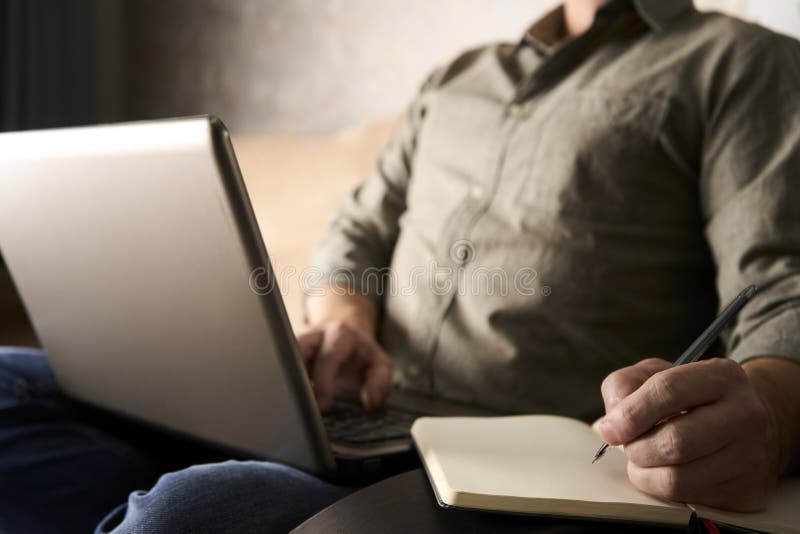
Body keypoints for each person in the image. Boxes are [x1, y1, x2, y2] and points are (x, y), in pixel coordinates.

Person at [2, 0, 800, 532]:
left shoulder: (738, 64)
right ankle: (131, 470)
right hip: (351, 417)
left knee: (192, 509)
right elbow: (356, 231)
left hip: (492, 461)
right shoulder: (458, 79)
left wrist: (769, 408)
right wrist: (343, 324)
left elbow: (781, 283)